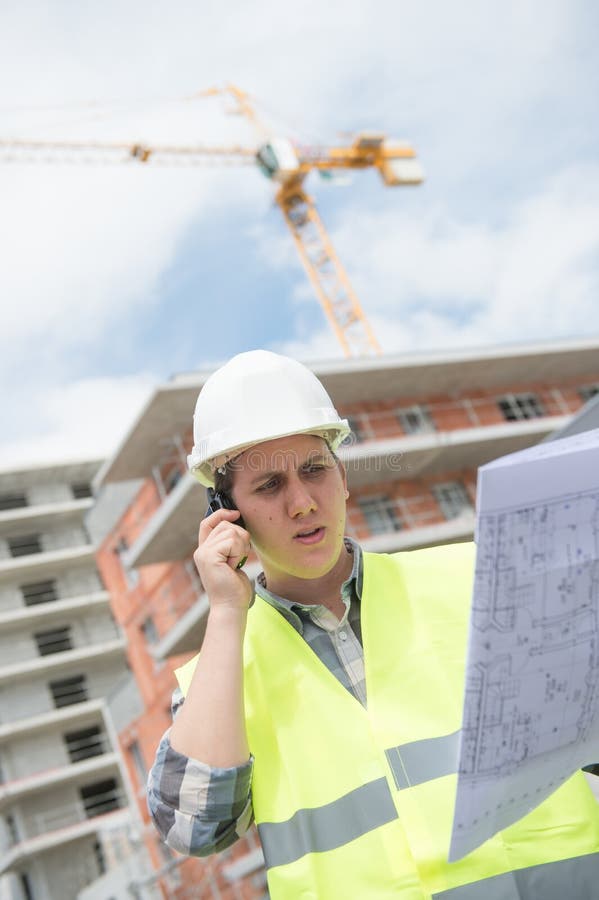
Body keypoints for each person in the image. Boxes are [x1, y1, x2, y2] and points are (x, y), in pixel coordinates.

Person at [148, 350, 599, 899]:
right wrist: (224, 612)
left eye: (313, 470)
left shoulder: (478, 579)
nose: (301, 504)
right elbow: (193, 829)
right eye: (268, 486)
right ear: (224, 512)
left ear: (341, 478)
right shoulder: (218, 675)